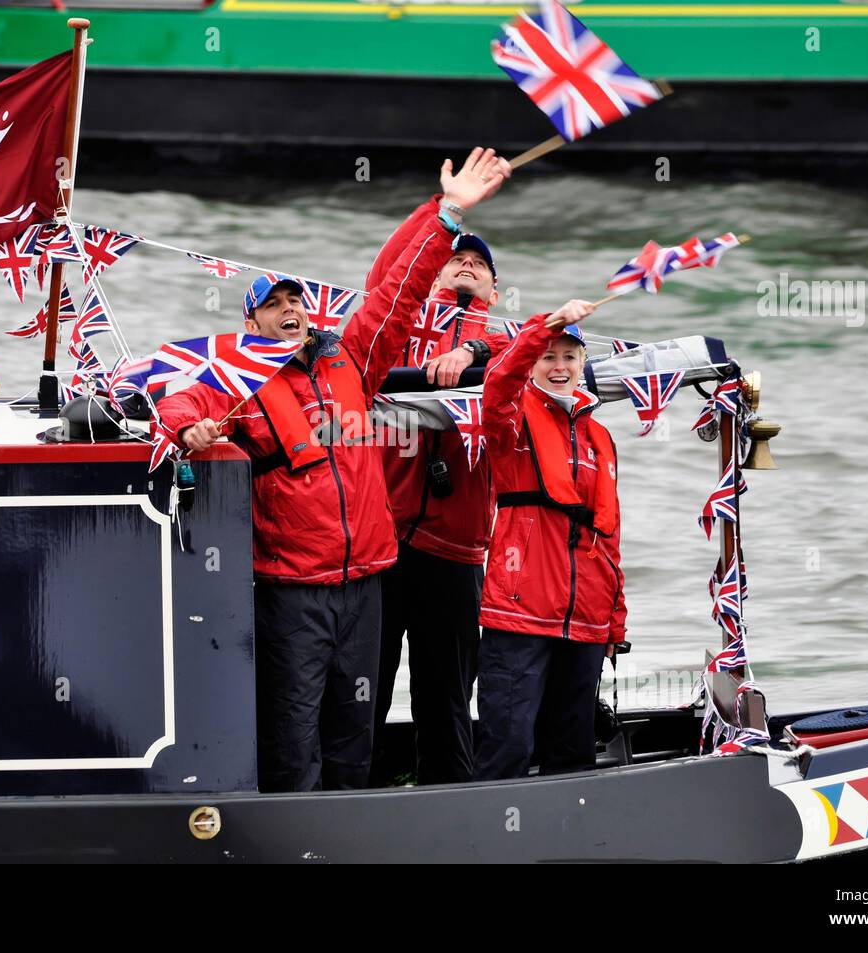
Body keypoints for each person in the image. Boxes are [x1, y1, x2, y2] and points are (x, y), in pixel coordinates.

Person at [157, 148, 512, 792]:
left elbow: (397, 294)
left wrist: (449, 213)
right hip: (293, 589)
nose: (290, 308)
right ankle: (296, 835)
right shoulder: (238, 379)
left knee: (355, 728)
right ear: (252, 321)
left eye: (298, 299)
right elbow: (180, 398)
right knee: (294, 731)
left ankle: (356, 830)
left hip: (367, 584)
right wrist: (187, 428)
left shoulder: (351, 360)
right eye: (274, 303)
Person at [363, 205, 510, 786]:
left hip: (455, 552)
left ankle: (448, 802)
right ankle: (348, 797)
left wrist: (472, 352)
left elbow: (535, 345)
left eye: (480, 266)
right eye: (456, 260)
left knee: (446, 695)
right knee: (363, 686)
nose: (468, 267)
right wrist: (443, 216)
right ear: (431, 274)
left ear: (496, 292)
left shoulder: (505, 340)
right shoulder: (400, 324)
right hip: (385, 542)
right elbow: (384, 279)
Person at [474, 301, 628, 780]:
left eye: (569, 356)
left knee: (573, 751)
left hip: (587, 617)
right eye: (548, 356)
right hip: (520, 611)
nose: (559, 367)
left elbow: (612, 534)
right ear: (533, 361)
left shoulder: (600, 435)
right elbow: (498, 384)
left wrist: (614, 623)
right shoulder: (510, 418)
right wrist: (544, 327)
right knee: (508, 743)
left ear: (584, 364)